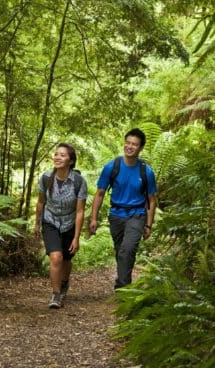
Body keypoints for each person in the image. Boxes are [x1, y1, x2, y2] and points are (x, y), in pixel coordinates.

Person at [88, 128, 158, 289]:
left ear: (140, 148)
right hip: (116, 215)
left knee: (128, 249)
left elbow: (151, 200)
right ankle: (123, 281)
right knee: (121, 250)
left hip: (137, 214)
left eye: (134, 144)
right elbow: (99, 193)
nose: (130, 146)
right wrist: (93, 218)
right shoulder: (112, 167)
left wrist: (148, 224)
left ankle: (123, 287)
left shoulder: (146, 171)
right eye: (128, 143)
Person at [34, 142, 88, 309]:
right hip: (50, 221)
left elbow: (80, 211)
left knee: (66, 259)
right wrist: (37, 224)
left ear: (70, 161)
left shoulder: (79, 181)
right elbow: (41, 202)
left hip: (70, 223)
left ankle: (64, 282)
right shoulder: (45, 178)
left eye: (62, 155)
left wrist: (76, 237)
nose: (58, 157)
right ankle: (56, 294)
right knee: (56, 257)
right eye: (56, 154)